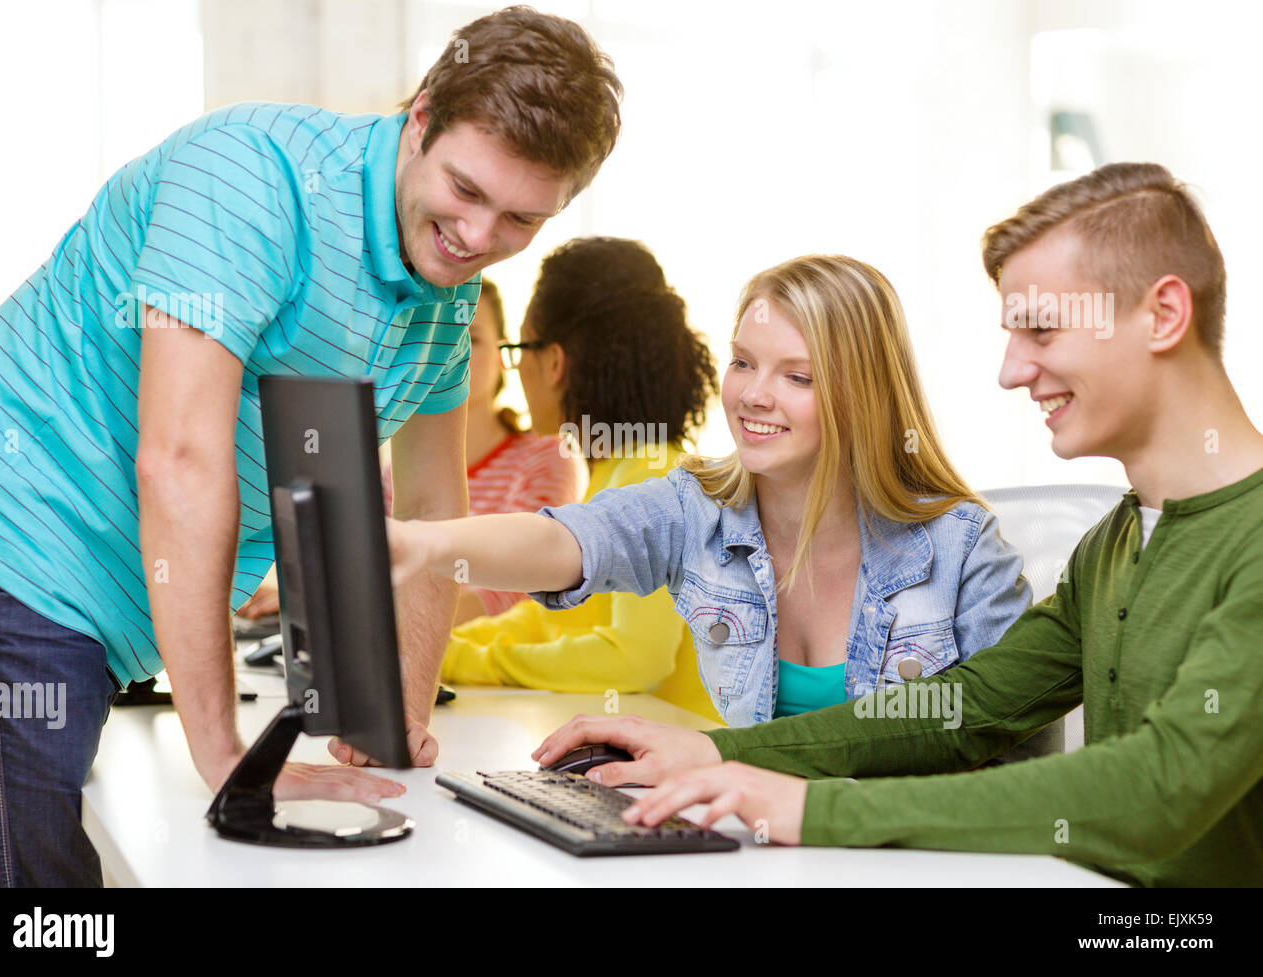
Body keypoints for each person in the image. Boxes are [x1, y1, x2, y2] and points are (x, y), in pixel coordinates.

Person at [0, 7, 622, 887]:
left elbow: (433, 511)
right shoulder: (250, 178)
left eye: (519, 220)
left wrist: (390, 720)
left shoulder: (444, 296)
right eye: (466, 190)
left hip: (101, 621)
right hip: (7, 541)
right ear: (421, 115)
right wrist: (223, 749)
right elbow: (180, 460)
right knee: (30, 893)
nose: (476, 239)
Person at [534, 163, 1263, 888]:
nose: (1011, 370)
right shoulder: (1117, 540)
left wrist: (814, 809)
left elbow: (1161, 785)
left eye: (1040, 329)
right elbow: (965, 706)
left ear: (1164, 315)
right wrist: (719, 753)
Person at [367, 254, 1029, 731]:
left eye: (796, 375)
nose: (752, 395)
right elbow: (565, 539)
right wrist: (421, 540)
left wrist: (730, 764)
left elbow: (1001, 751)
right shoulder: (698, 507)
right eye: (743, 361)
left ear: (866, 394)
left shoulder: (963, 549)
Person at [431, 237, 723, 721]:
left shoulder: (649, 476)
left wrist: (471, 660)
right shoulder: (623, 470)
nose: (517, 366)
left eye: (519, 348)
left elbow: (635, 659)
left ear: (554, 362)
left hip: (682, 767)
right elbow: (552, 620)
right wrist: (444, 643)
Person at [235, 278, 588, 625]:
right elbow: (359, 568)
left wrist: (362, 613)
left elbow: (524, 589)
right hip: (410, 637)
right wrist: (305, 598)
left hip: (485, 665)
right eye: (449, 340)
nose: (456, 352)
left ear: (501, 358)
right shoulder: (398, 472)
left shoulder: (546, 458)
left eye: (473, 339)